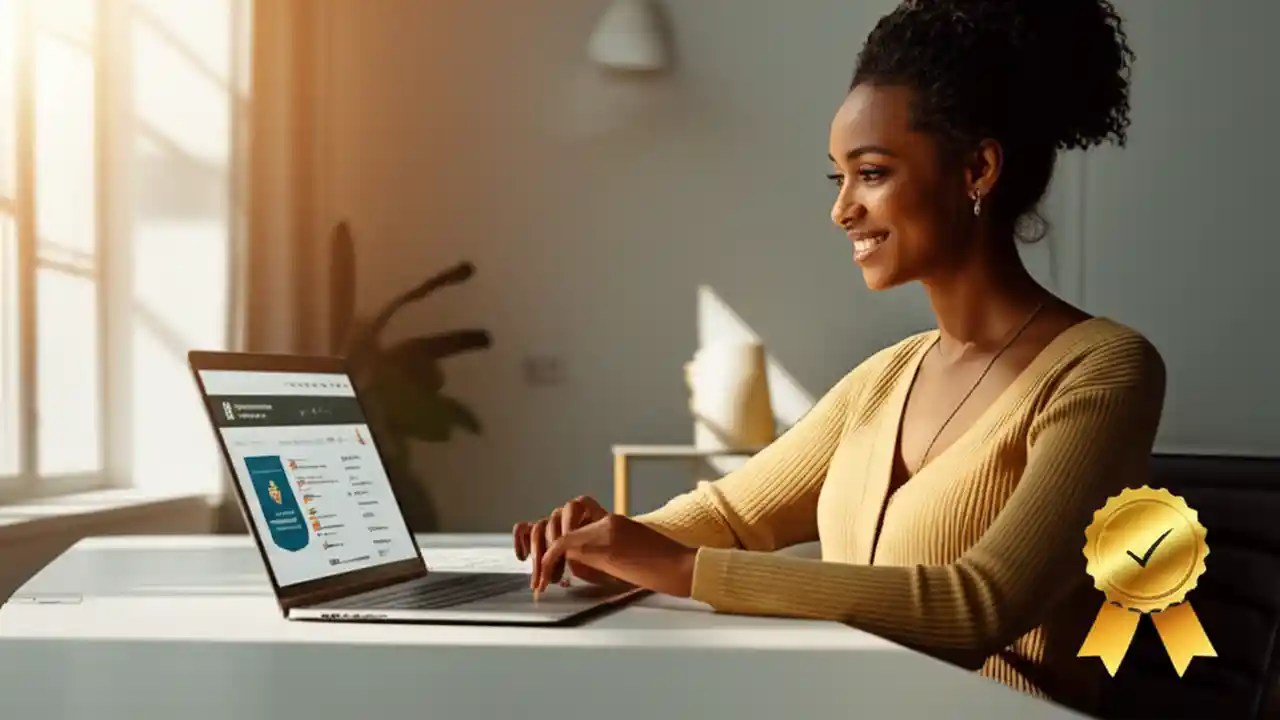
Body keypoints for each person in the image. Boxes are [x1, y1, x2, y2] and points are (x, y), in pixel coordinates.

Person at [513, 0, 1163, 712]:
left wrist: (679, 566)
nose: (842, 208)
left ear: (978, 169)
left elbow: (980, 605)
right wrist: (595, 544)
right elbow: (730, 514)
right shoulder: (886, 378)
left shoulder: (1105, 370)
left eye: (872, 173)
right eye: (838, 178)